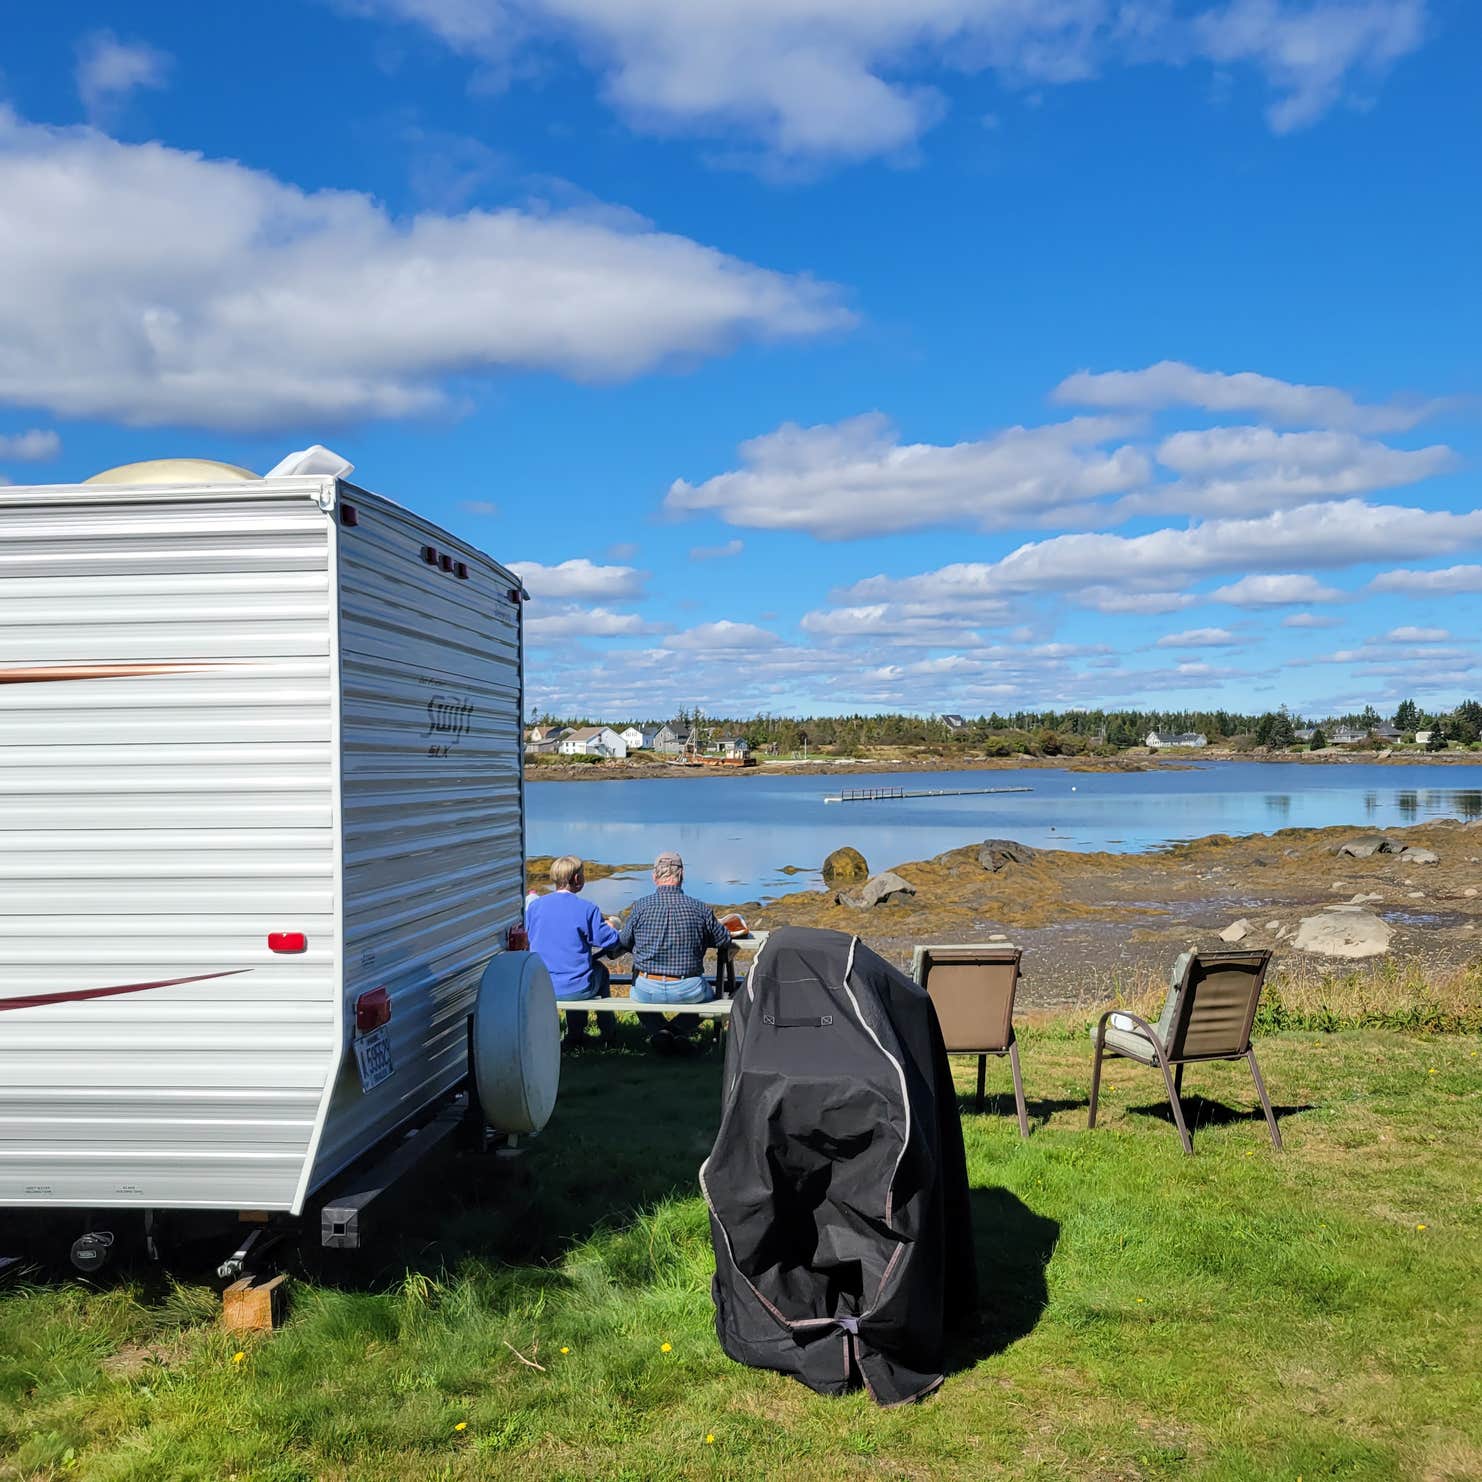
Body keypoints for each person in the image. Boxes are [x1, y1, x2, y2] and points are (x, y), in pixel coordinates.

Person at [617, 850, 732, 1054]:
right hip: (688, 988)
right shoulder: (700, 909)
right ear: (682, 875)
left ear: (654, 877)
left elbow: (624, 941)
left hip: (647, 987)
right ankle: (676, 1031)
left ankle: (661, 1032)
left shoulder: (640, 907)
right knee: (712, 995)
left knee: (635, 991)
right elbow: (724, 940)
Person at [525, 855, 621, 1050]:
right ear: (577, 879)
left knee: (575, 972)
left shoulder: (535, 907)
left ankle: (575, 1036)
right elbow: (609, 941)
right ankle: (607, 1032)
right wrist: (612, 925)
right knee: (599, 972)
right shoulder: (587, 909)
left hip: (543, 986)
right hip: (575, 988)